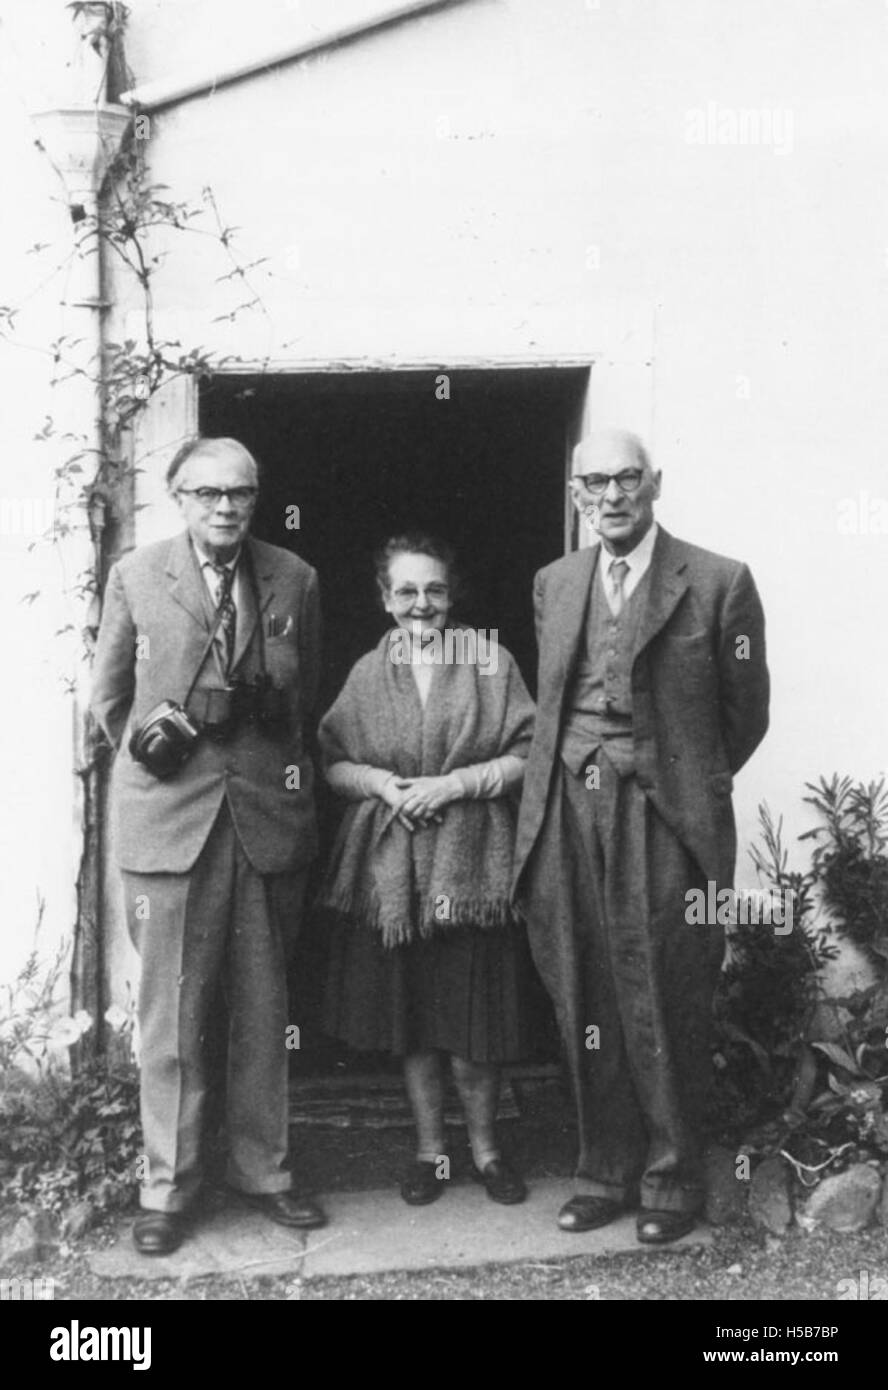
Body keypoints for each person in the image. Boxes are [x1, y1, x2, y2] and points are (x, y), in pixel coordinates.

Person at [512, 430, 769, 1243]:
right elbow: (554, 703)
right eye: (595, 482)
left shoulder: (718, 581)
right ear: (576, 493)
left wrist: (681, 779)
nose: (612, 495)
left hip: (661, 814)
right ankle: (602, 1172)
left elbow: (744, 713)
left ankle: (671, 1180)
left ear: (655, 483)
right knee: (584, 987)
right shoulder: (555, 583)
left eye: (627, 478)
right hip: (566, 807)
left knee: (663, 989)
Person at [91, 435, 326, 1255]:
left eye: (241, 494)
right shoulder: (137, 576)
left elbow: (307, 700)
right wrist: (162, 758)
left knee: (265, 1011)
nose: (226, 508)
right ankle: (168, 1188)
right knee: (173, 1017)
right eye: (208, 494)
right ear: (179, 497)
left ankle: (265, 1171)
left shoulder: (294, 577)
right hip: (170, 825)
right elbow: (110, 697)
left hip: (265, 822)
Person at [316, 534, 535, 1206]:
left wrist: (458, 784)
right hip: (397, 872)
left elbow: (531, 750)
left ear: (451, 594)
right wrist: (384, 785)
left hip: (473, 865)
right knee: (413, 1022)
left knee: (473, 1026)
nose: (422, 604)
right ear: (385, 599)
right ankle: (430, 1154)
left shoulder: (488, 660)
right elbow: (331, 760)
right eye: (406, 591)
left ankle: (488, 1152)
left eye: (434, 590)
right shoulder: (366, 672)